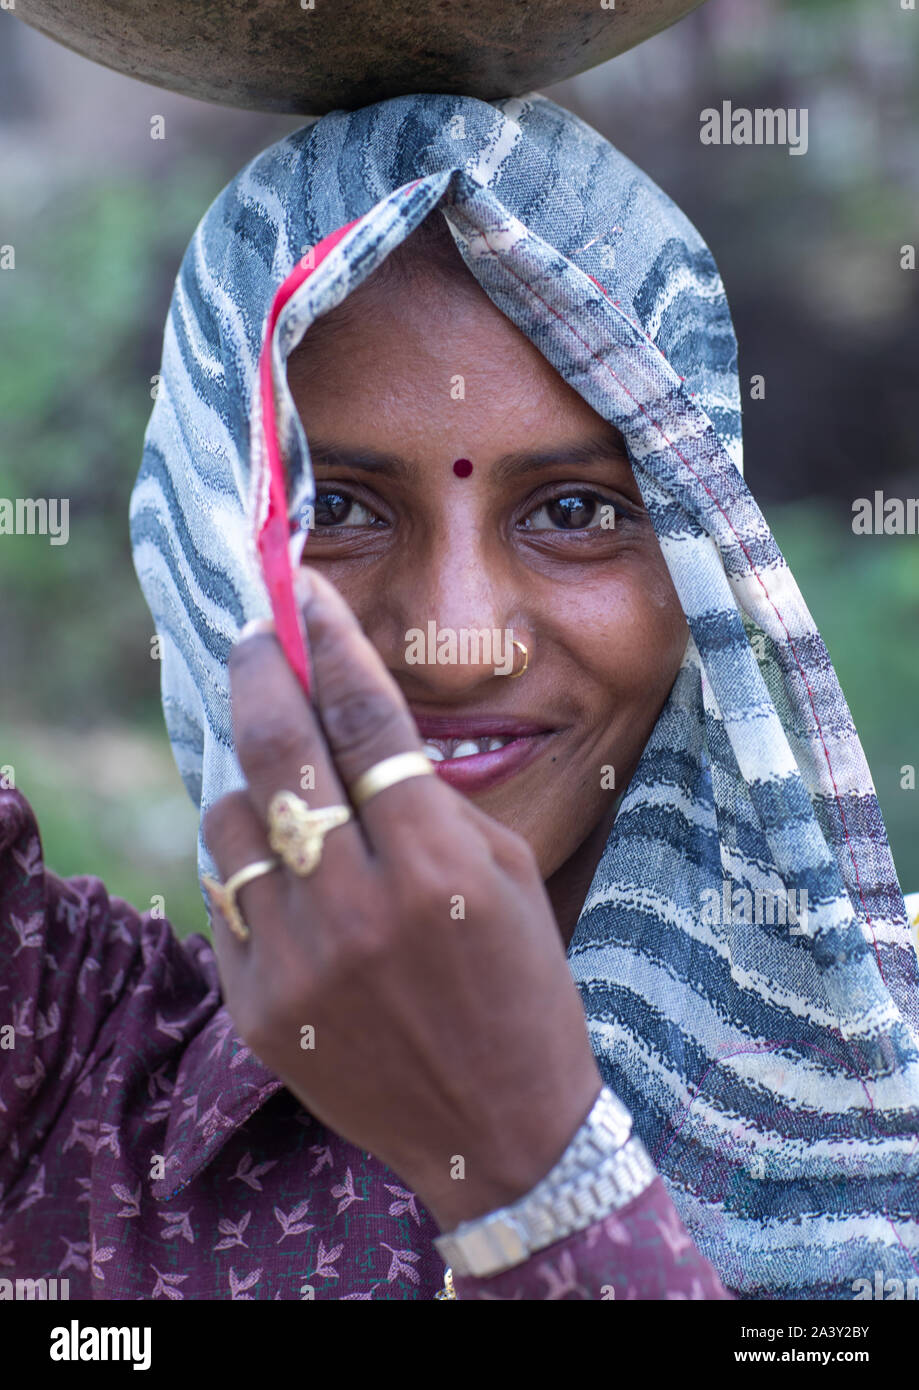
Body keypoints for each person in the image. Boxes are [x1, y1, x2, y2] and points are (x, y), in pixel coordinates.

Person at [2, 93, 918, 1302]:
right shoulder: (70, 1059)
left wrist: (529, 1172)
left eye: (574, 512)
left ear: (697, 572)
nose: (454, 642)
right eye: (332, 509)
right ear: (204, 554)